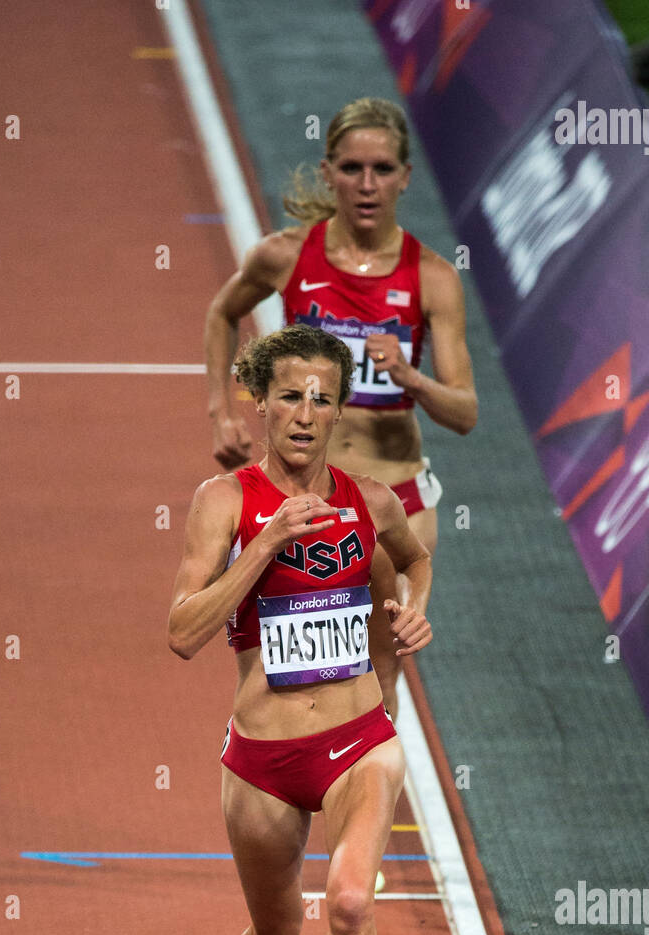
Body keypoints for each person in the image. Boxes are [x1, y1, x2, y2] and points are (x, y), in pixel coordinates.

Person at [167, 323, 433, 935]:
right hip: (264, 760)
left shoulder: (371, 499)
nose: (306, 414)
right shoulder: (224, 502)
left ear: (339, 408)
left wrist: (413, 612)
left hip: (359, 739)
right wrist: (267, 546)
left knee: (351, 904)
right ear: (260, 401)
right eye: (290, 396)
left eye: (323, 397)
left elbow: (412, 562)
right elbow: (182, 632)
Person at [205, 96, 476, 719]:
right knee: (284, 669)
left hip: (395, 497)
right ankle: (287, 786)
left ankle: (362, 808)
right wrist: (220, 410)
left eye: (382, 169)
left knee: (379, 679)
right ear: (328, 173)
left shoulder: (431, 277)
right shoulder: (286, 255)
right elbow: (222, 313)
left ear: (405, 176)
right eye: (352, 168)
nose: (367, 184)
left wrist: (411, 376)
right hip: (303, 501)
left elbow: (464, 412)